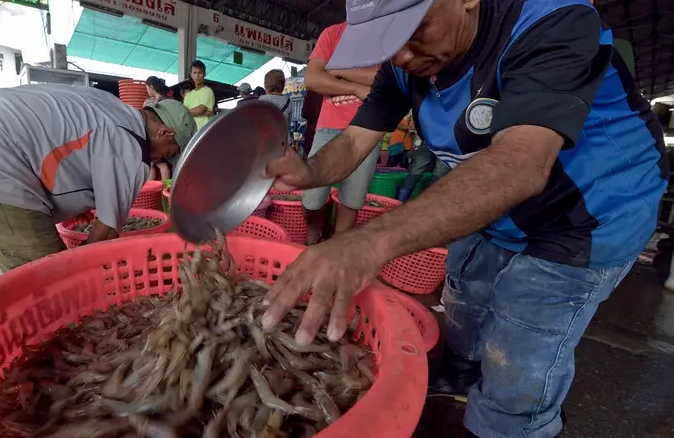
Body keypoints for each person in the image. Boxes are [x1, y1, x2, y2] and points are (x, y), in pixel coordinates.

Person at [261, 1, 668, 438]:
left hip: (587, 214)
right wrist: (311, 172)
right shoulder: (405, 59)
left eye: (414, 30)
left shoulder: (552, 20)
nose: (400, 56)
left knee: (519, 355)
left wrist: (369, 241)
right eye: (388, 40)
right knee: (465, 305)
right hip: (493, 205)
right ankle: (457, 377)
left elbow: (520, 164)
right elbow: (357, 137)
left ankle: (512, 425)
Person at [0, 84, 196, 272]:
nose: (163, 159)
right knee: (49, 277)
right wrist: (85, 275)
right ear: (164, 133)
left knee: (41, 269)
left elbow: (68, 147)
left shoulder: (113, 109)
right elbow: (104, 235)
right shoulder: (130, 144)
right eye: (171, 152)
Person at [300, 21, 380, 244]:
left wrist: (337, 72)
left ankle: (334, 247)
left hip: (368, 128)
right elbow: (313, 78)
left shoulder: (385, 33)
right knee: (311, 199)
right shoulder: (333, 33)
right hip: (327, 127)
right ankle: (312, 241)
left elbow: (384, 80)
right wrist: (355, 86)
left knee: (351, 201)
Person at [144, 76, 175, 181]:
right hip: (164, 138)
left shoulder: (148, 102)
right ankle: (163, 191)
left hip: (150, 138)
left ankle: (151, 190)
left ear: (151, 87)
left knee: (152, 165)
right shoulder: (167, 101)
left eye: (147, 87)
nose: (147, 90)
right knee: (162, 165)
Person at [183, 60, 215, 130]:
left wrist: (200, 112)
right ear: (191, 74)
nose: (197, 76)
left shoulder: (208, 91)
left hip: (203, 133)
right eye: (194, 73)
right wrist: (204, 112)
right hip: (190, 133)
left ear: (204, 74)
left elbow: (200, 110)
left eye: (199, 73)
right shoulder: (188, 95)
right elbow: (183, 115)